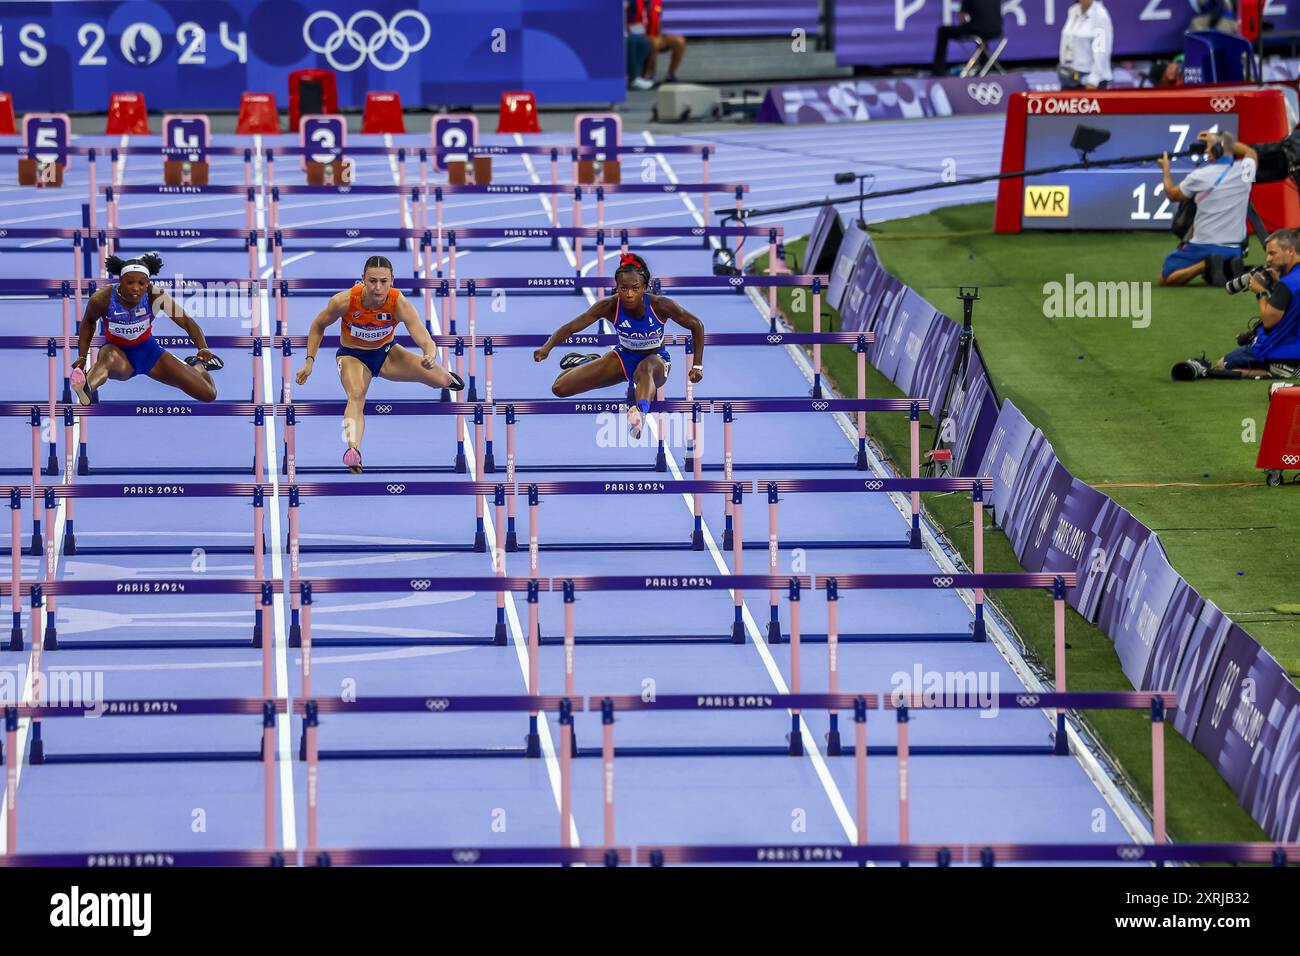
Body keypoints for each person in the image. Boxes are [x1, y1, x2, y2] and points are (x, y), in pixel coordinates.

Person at [295, 255, 464, 473]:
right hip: (352, 356)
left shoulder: (399, 303)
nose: (377, 287)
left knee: (440, 380)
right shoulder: (344, 301)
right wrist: (310, 361)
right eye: (372, 281)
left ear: (392, 280)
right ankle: (353, 451)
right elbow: (318, 325)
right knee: (356, 394)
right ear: (362, 279)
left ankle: (446, 378)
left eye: (383, 281)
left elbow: (423, 336)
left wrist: (430, 354)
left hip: (387, 354)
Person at [533, 253, 704, 440]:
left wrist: (697, 366)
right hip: (623, 357)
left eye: (635, 288)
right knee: (560, 388)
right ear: (617, 288)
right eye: (623, 288)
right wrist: (547, 348)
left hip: (656, 360)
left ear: (644, 288)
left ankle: (640, 413)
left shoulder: (660, 305)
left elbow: (696, 325)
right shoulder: (609, 306)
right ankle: (592, 361)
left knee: (644, 368)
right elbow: (571, 327)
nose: (629, 294)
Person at [71, 253, 220, 405]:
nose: (136, 288)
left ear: (147, 283)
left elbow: (186, 321)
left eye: (141, 283)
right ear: (121, 281)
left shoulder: (154, 296)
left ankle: (199, 366)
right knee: (107, 357)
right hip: (119, 355)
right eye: (130, 282)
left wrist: (203, 348)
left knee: (208, 394)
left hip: (150, 354)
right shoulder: (101, 299)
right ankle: (86, 387)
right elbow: (88, 323)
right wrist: (82, 358)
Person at [1172, 228, 1300, 380]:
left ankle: (1278, 370)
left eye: (1273, 253)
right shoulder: (1290, 281)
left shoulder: (1287, 284)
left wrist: (1261, 292)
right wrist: (1276, 286)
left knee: (1222, 364)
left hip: (1279, 350)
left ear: (1290, 251)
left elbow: (1269, 321)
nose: (1268, 259)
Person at [1157, 130, 1256, 287]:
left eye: (1209, 147)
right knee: (1225, 257)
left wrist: (1165, 168)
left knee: (1165, 278)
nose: (1205, 150)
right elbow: (1249, 151)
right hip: (1234, 248)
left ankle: (1205, 265)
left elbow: (1172, 194)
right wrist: (1222, 141)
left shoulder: (1200, 175)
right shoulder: (1245, 170)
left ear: (1218, 150)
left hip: (1203, 246)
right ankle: (1229, 265)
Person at [932, 0, 1003, 76]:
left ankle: (939, 70)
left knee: (942, 31)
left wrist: (964, 26)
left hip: (977, 30)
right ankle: (985, 66)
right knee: (983, 36)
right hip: (996, 31)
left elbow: (962, 17)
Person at [1058, 0, 1113, 90]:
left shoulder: (1100, 16)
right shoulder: (1073, 11)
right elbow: (1066, 41)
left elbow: (1102, 51)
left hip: (1090, 81)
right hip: (1071, 75)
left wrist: (1093, 80)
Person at [632, 0, 686, 87]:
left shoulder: (657, 2)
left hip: (656, 35)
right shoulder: (634, 2)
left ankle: (670, 74)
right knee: (654, 43)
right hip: (640, 35)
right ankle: (647, 75)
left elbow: (658, 19)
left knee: (679, 41)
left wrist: (661, 35)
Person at [626, 1, 653, 89]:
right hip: (623, 32)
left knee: (645, 43)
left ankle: (635, 76)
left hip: (637, 31)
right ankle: (633, 79)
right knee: (632, 41)